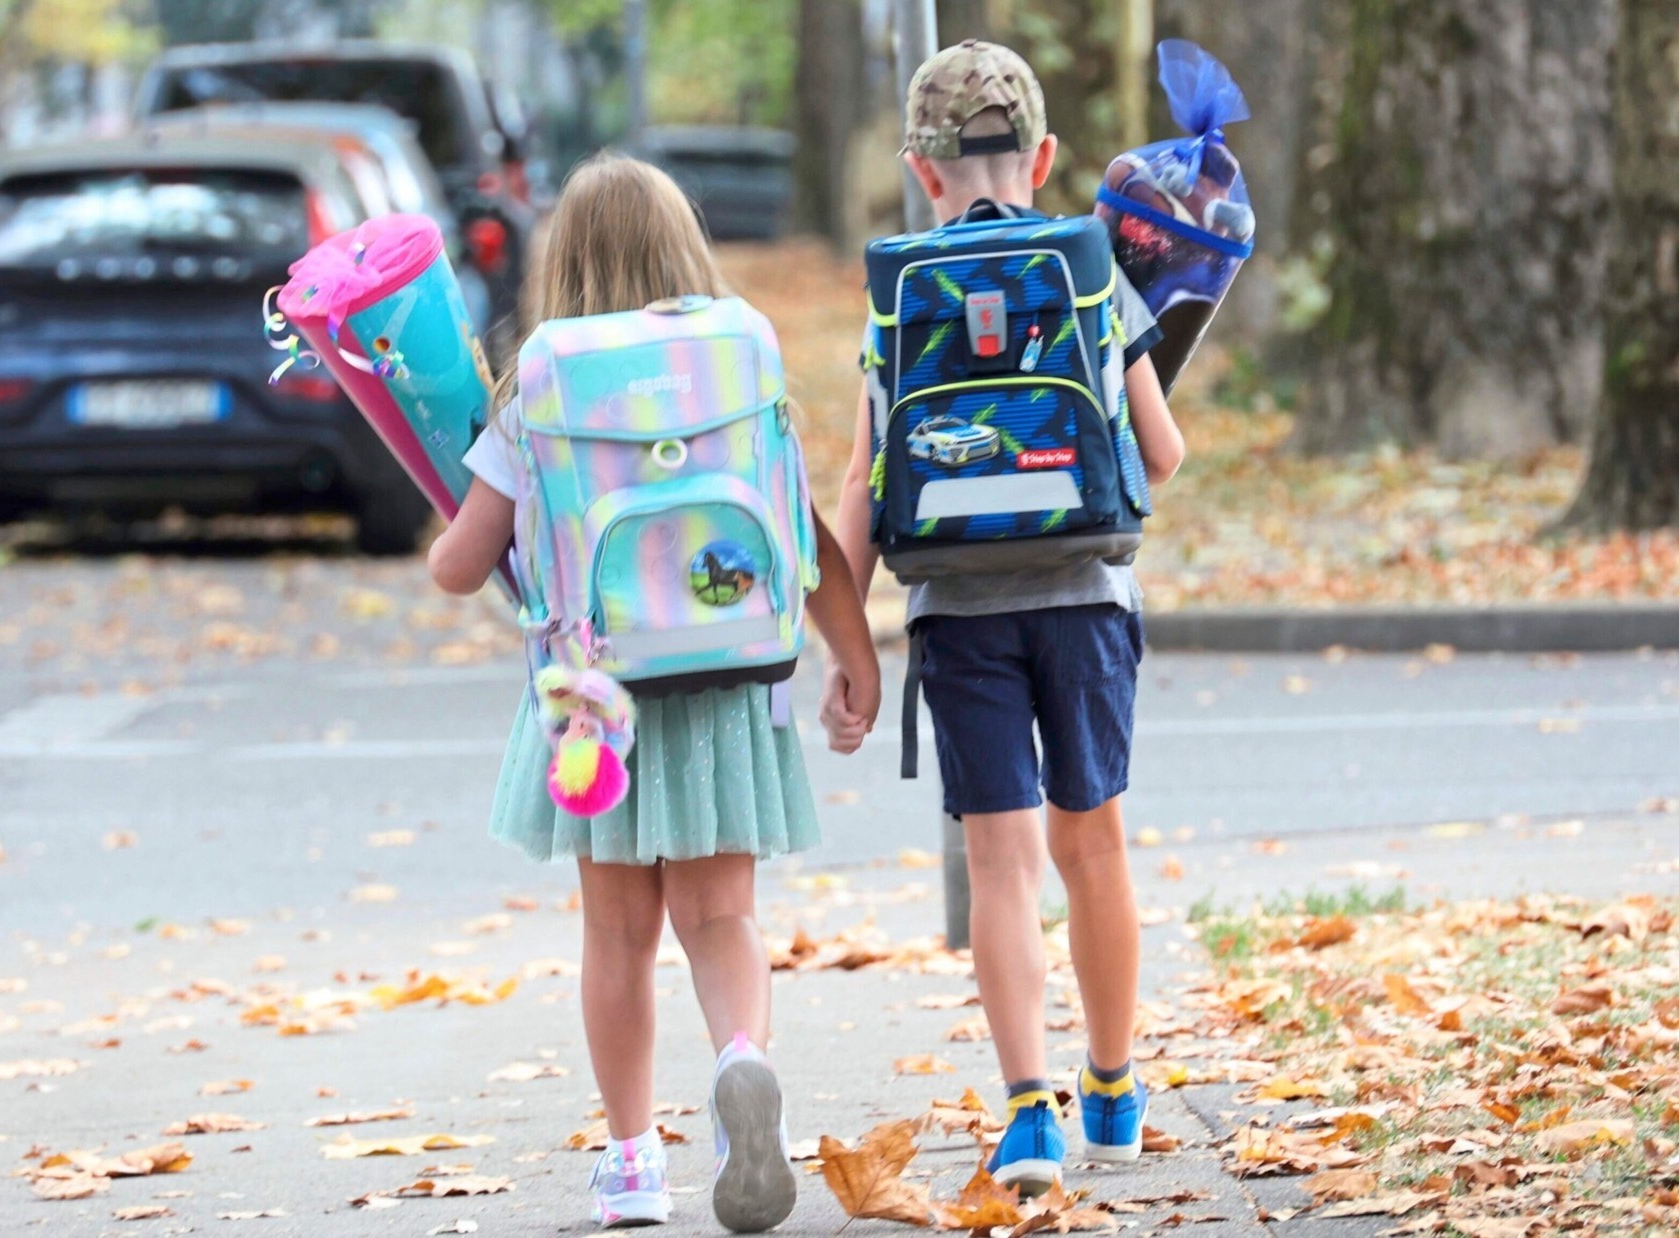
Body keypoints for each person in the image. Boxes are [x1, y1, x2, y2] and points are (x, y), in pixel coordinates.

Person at [427, 153, 883, 1232]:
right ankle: (739, 1065)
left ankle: (633, 1162)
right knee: (722, 915)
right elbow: (795, 524)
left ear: (565, 265)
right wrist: (850, 648)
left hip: (597, 701)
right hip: (729, 680)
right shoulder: (737, 360)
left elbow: (459, 565)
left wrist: (455, 497)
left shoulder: (535, 386)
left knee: (617, 936)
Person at [830, 41, 1186, 1199]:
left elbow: (861, 487)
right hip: (1085, 600)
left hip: (957, 614)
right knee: (1095, 844)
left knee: (999, 862)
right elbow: (1163, 455)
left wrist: (845, 642)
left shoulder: (900, 293)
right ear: (1040, 156)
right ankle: (1115, 1085)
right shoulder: (1089, 268)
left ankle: (1028, 1107)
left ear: (918, 171)